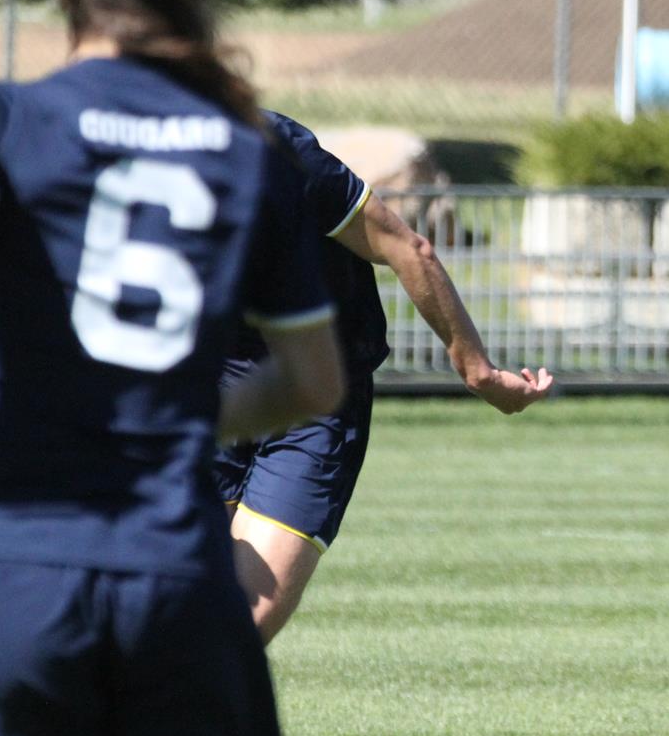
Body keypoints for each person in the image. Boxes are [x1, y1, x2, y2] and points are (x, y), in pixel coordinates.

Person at [0, 0, 344, 736]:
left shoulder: (13, 127)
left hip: (29, 578)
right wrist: (174, 423)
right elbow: (312, 385)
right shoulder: (247, 148)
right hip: (181, 578)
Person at [217, 115, 553, 643]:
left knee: (238, 626)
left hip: (315, 398)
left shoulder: (276, 153)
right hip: (203, 397)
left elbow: (406, 247)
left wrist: (479, 371)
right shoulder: (103, 162)